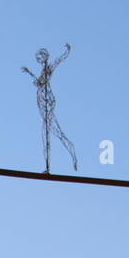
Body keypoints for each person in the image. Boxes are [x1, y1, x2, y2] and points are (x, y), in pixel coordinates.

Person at [21, 44, 78, 175]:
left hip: (47, 102)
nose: (39, 59)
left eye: (40, 57)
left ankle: (51, 166)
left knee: (49, 134)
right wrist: (30, 73)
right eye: (37, 58)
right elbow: (39, 83)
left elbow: (57, 62)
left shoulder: (48, 69)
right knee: (50, 133)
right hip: (43, 103)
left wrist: (66, 51)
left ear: (45, 57)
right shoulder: (43, 71)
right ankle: (50, 165)